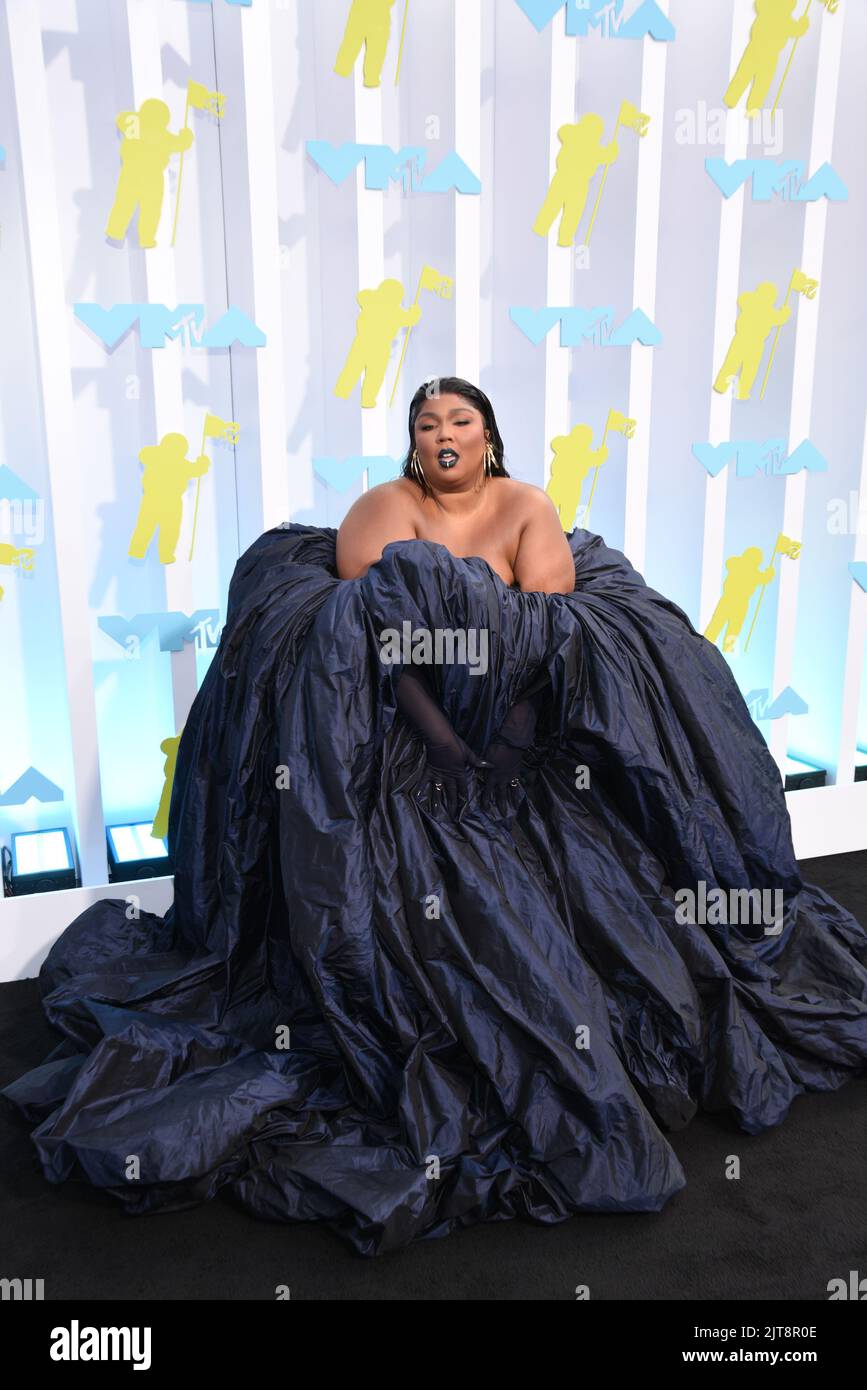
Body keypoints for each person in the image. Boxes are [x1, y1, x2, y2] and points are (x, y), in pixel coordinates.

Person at [3, 376, 866, 1259]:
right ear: (412, 443)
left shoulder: (528, 506)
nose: (444, 434)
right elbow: (375, 645)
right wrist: (453, 751)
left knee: (609, 917)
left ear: (489, 435)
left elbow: (551, 640)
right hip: (401, 750)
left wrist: (512, 743)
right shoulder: (380, 510)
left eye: (461, 420)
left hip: (521, 744)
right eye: (427, 423)